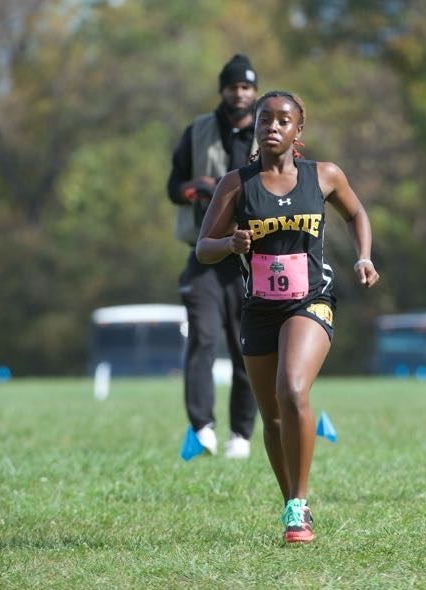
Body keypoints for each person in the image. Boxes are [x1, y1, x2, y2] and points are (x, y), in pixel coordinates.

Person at [196, 90, 379, 542]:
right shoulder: (236, 184)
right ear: (256, 127)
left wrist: (363, 256)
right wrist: (230, 244)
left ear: (299, 130)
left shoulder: (324, 176)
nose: (272, 127)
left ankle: (300, 505)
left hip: (310, 301)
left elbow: (357, 213)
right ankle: (288, 503)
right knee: (272, 417)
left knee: (292, 389)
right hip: (258, 309)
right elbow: (203, 248)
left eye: (283, 120)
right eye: (265, 120)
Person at [166, 54, 260, 459]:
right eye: (232, 86)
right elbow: (173, 187)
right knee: (202, 338)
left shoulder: (269, 130)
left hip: (250, 259)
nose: (238, 93)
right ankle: (201, 428)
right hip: (205, 256)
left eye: (245, 87)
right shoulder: (198, 131)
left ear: (254, 92)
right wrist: (197, 187)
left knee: (247, 347)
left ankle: (240, 435)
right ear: (221, 90)